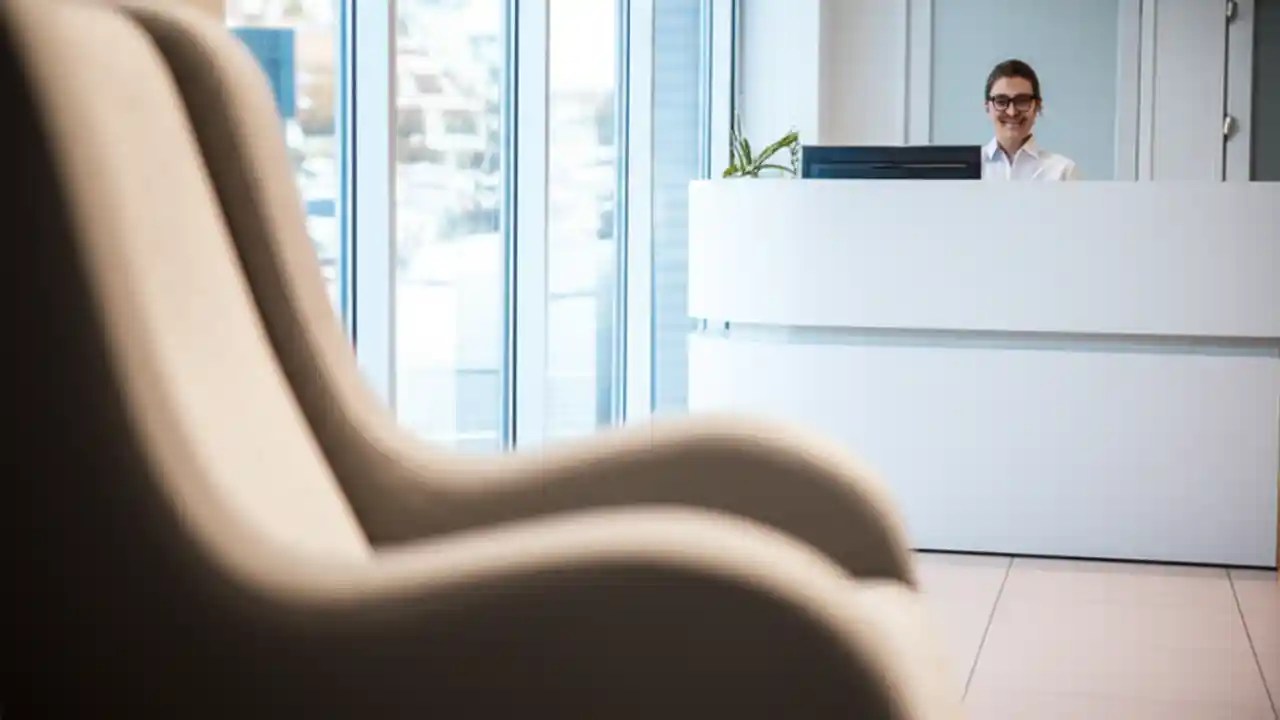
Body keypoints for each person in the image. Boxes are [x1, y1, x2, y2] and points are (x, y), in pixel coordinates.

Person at [982, 59, 1079, 181]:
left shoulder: (1062, 172)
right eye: (1001, 101)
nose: (1012, 112)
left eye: (1022, 101)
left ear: (1037, 106)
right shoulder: (967, 170)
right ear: (987, 107)